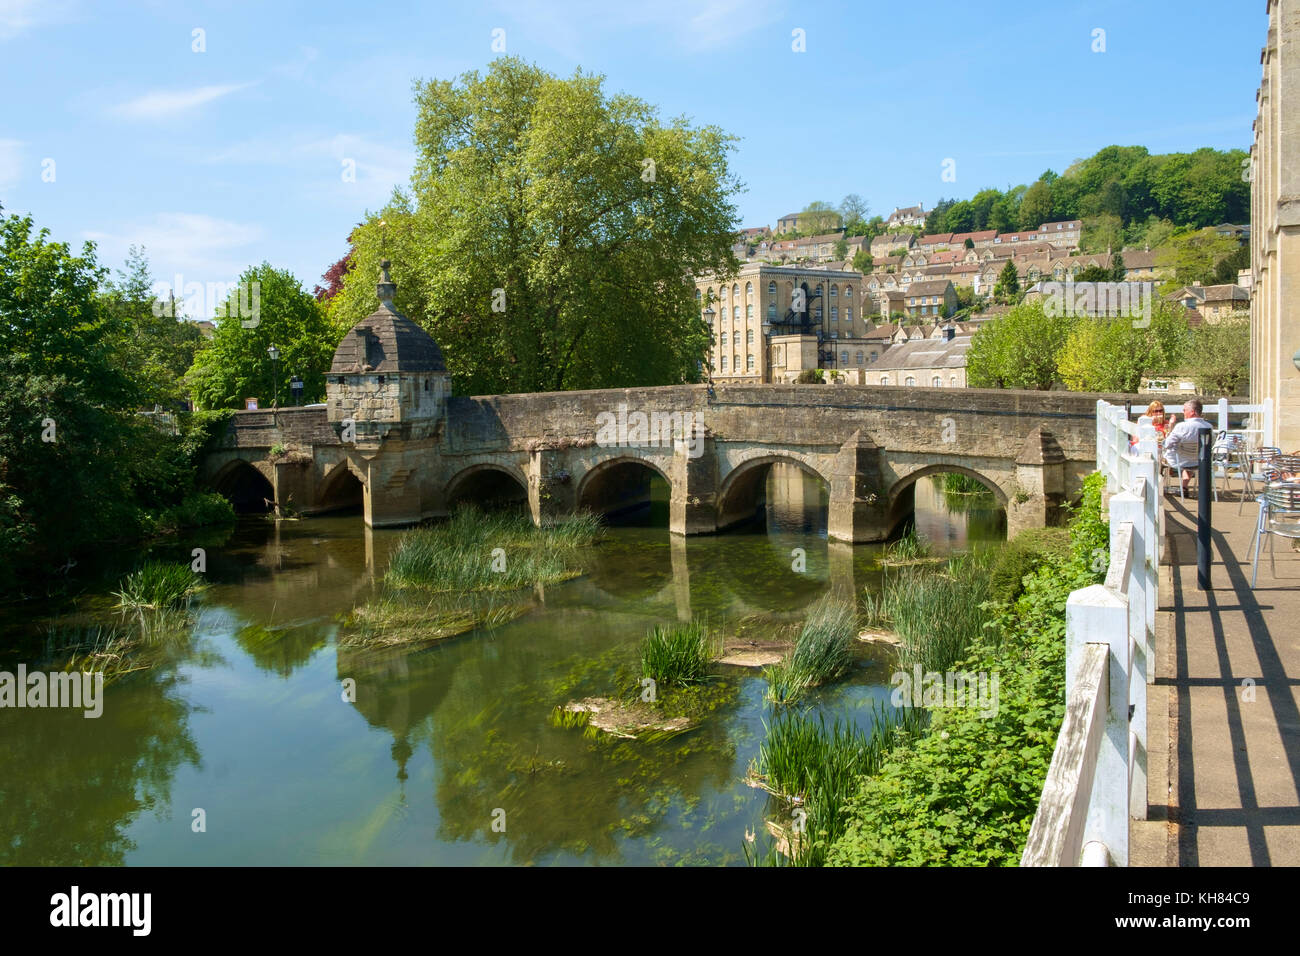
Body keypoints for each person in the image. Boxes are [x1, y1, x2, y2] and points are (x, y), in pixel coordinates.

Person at [1162, 399, 1215, 497]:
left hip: (1181, 460)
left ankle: (1160, 489)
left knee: (1160, 458)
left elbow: (1167, 444)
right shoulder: (1208, 426)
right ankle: (1184, 487)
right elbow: (1211, 443)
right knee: (1189, 459)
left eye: (1185, 410)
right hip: (1200, 461)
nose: (1183, 412)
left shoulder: (1181, 426)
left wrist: (1170, 427)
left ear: (1192, 412)